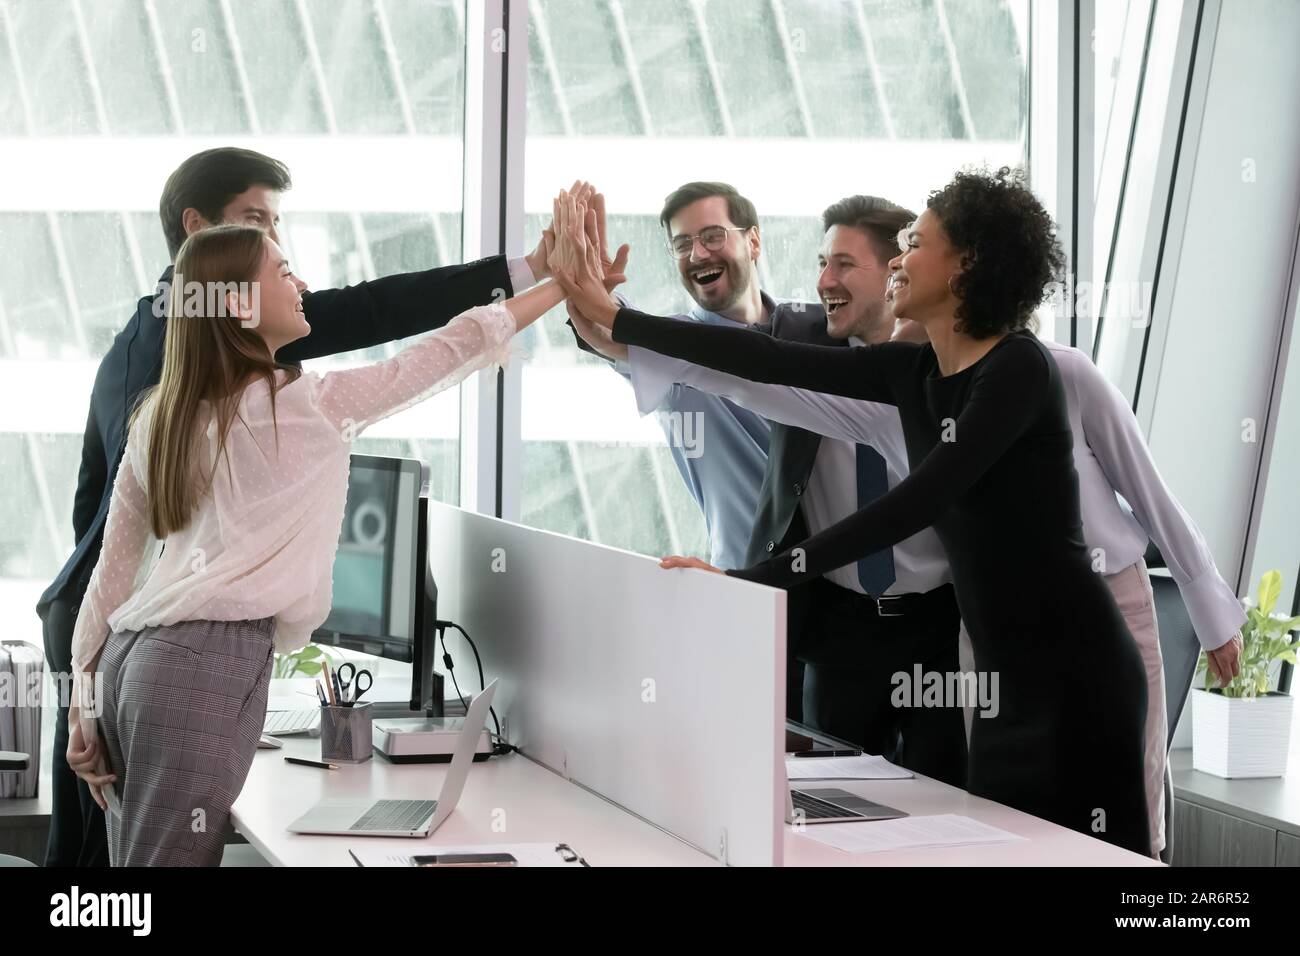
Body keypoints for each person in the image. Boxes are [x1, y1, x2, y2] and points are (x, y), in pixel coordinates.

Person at [554, 169, 1152, 854]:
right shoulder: (912, 375)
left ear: (967, 266)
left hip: (1081, 678)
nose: (900, 259)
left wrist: (752, 579)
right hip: (1001, 687)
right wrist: (616, 317)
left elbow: (917, 501)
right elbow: (765, 357)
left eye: (916, 244)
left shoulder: (1019, 371)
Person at [36, 146, 568, 867]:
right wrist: (560, 286)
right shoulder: (308, 407)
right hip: (206, 666)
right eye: (284, 270)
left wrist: (83, 700)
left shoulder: (161, 411)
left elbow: (108, 575)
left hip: (133, 660)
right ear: (240, 305)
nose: (304, 281)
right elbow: (449, 351)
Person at [570, 196, 965, 787]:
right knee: (829, 799)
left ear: (895, 272)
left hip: (939, 626)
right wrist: (601, 307)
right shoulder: (803, 345)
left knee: (953, 806)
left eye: (843, 265)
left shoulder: (952, 370)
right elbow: (708, 351)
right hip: (835, 629)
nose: (824, 280)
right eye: (820, 263)